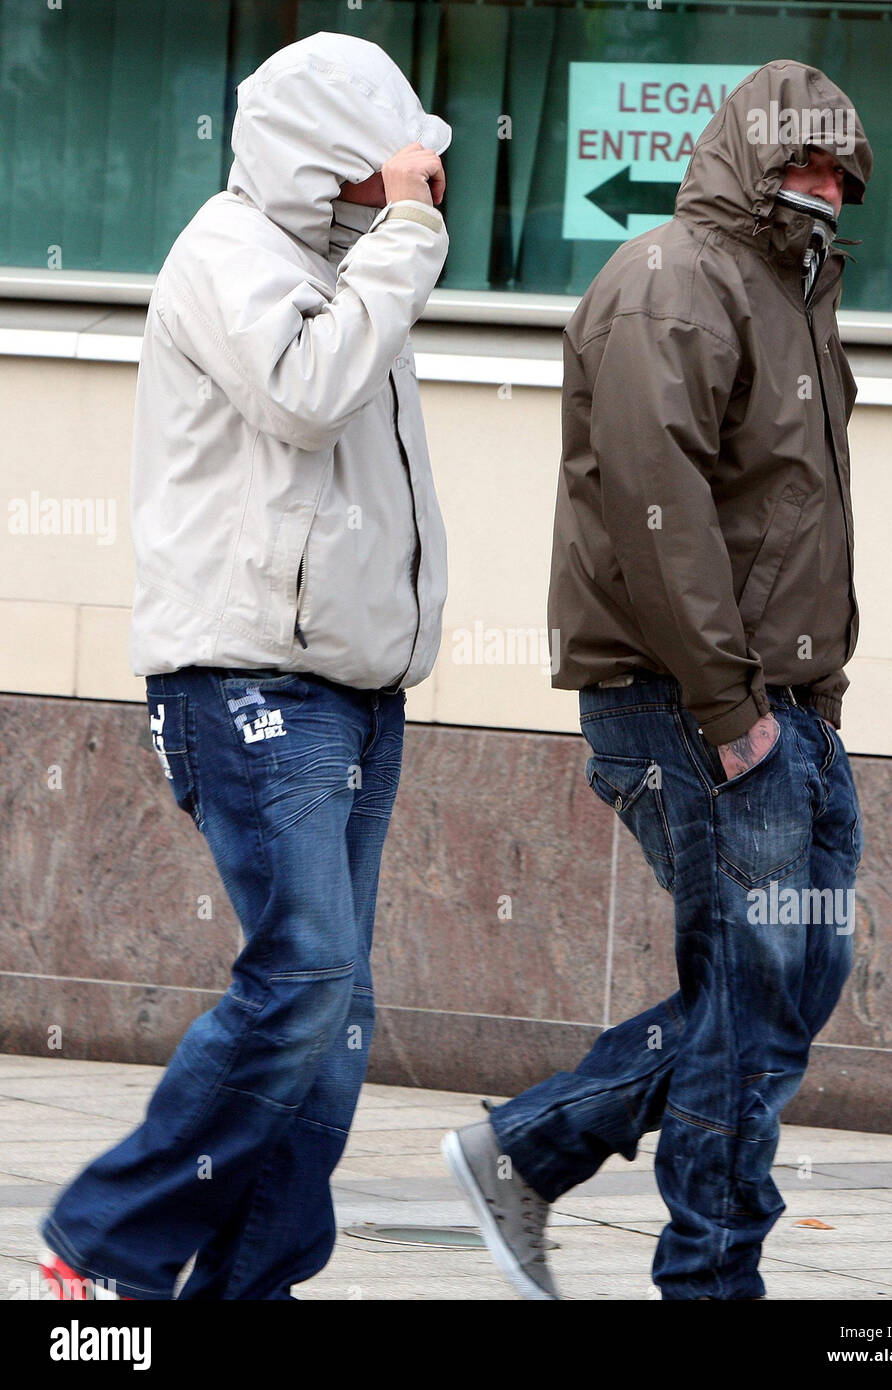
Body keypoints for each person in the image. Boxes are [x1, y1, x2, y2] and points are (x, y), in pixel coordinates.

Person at [443, 59, 873, 1301]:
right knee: (749, 1008)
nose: (824, 185)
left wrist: (805, 707)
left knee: (787, 981)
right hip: (695, 704)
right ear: (746, 156)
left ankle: (528, 1147)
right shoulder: (673, 282)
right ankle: (708, 1282)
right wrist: (735, 715)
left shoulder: (790, 287)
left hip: (785, 706)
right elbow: (657, 512)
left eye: (841, 168)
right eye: (800, 162)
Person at [38, 32, 450, 1301]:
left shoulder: (349, 266)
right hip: (248, 681)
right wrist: (402, 247)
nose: (420, 193)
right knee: (308, 971)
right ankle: (106, 1242)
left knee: (334, 1028)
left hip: (355, 691)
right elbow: (306, 394)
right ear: (327, 164)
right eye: (396, 171)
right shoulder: (228, 256)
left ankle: (247, 1283)